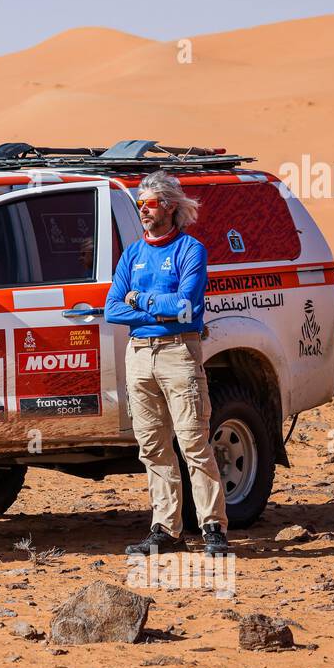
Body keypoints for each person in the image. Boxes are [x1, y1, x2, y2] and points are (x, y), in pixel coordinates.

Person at [104, 170, 230, 556]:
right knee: (152, 446)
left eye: (150, 202)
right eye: (139, 203)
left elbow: (185, 307)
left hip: (179, 353)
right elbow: (112, 309)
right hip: (139, 356)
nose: (143, 209)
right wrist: (156, 310)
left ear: (171, 206)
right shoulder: (132, 253)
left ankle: (213, 527)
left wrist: (138, 300)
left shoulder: (190, 250)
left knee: (194, 442)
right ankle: (166, 527)